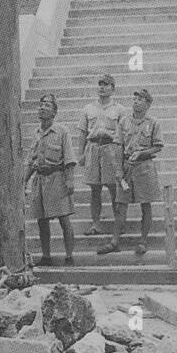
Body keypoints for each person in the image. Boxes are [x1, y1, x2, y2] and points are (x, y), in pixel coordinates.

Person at [98, 88, 164, 256]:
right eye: (135, 98)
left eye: (141, 99)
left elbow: (158, 145)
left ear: (148, 104)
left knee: (146, 205)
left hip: (145, 167)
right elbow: (118, 145)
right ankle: (115, 241)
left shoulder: (153, 123)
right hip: (127, 166)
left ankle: (143, 241)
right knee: (120, 205)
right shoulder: (124, 122)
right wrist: (118, 170)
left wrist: (142, 153)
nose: (136, 101)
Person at [24, 94, 77, 266]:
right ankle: (46, 255)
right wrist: (24, 180)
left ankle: (69, 255)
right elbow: (32, 160)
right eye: (41, 104)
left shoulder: (62, 131)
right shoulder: (37, 133)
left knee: (64, 219)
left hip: (57, 178)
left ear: (54, 112)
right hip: (40, 181)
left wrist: (70, 181)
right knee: (42, 220)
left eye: (47, 105)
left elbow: (69, 158)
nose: (42, 108)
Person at [77, 73, 128, 236]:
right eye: (100, 84)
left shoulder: (119, 109)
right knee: (95, 190)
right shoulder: (88, 108)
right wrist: (81, 154)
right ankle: (96, 223)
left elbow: (124, 134)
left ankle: (118, 224)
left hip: (110, 148)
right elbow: (83, 132)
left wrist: (123, 155)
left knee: (114, 189)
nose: (102, 87)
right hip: (93, 147)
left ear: (113, 88)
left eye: (106, 84)